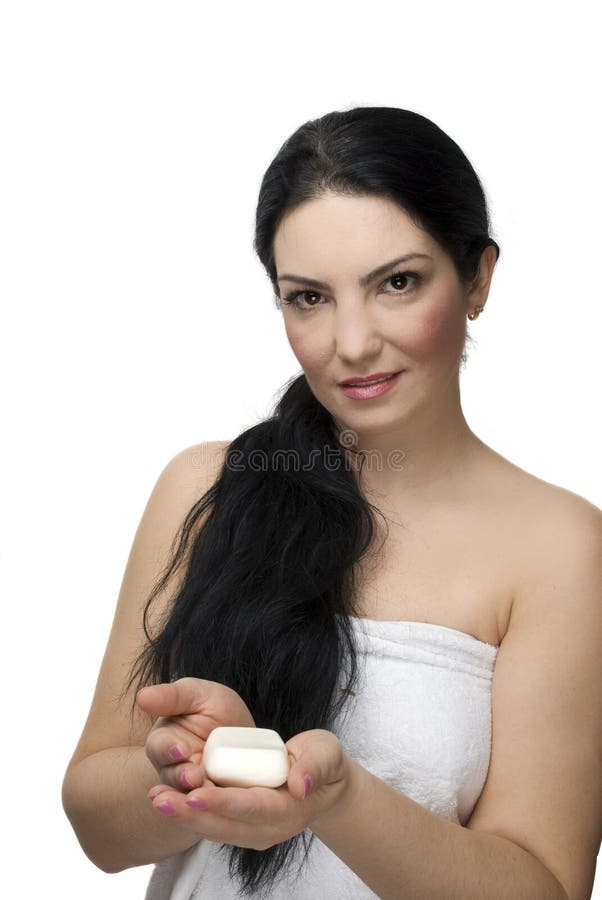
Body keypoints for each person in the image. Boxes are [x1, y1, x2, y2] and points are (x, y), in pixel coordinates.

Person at [62, 106, 602, 900]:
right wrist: (191, 769)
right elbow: (95, 828)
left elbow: (541, 887)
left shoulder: (559, 545)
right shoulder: (207, 489)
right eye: (309, 298)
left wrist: (336, 799)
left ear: (478, 278)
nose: (351, 343)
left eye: (398, 283)